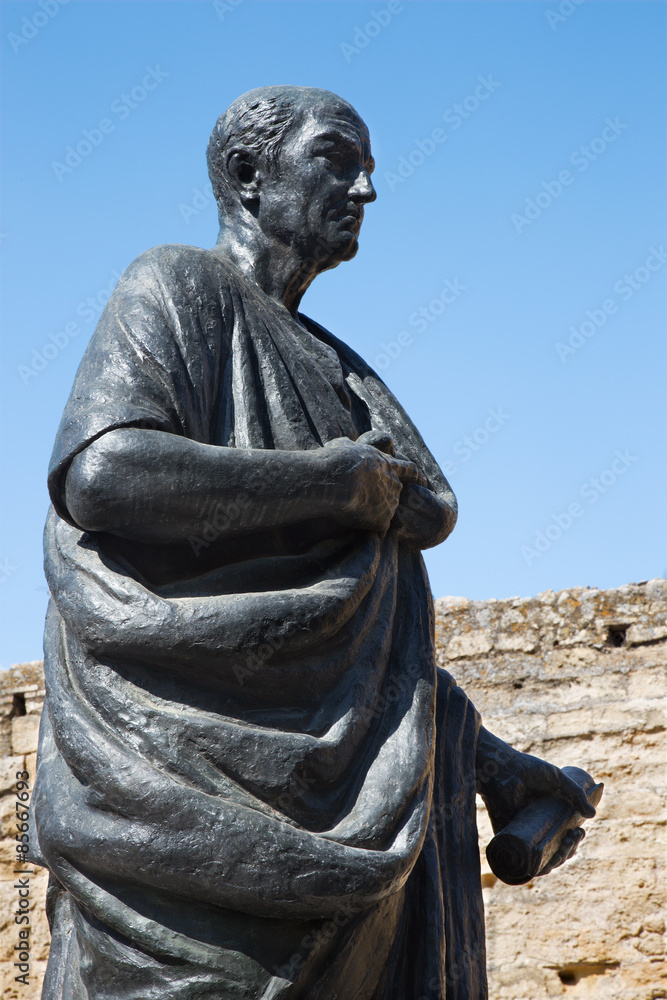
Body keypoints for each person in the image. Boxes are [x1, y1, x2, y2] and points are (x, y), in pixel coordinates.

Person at [30, 86, 594, 1000]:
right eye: (338, 159)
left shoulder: (337, 367)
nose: (366, 188)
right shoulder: (175, 285)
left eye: (368, 167)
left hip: (351, 823)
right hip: (180, 805)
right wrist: (331, 484)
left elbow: (403, 570)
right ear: (249, 177)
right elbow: (105, 473)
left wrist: (491, 764)